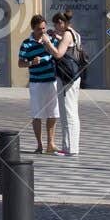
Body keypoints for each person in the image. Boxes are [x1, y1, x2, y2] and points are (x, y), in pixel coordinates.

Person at [18, 14, 61, 154]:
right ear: (33, 28)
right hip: (36, 83)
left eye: (43, 28)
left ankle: (51, 143)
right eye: (39, 29)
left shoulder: (51, 40)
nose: (42, 31)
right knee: (37, 114)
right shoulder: (26, 44)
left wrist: (49, 43)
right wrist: (31, 62)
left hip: (51, 81)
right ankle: (39, 144)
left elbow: (57, 55)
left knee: (53, 113)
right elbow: (20, 63)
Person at [52, 11, 82, 157]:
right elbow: (68, 45)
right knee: (72, 112)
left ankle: (69, 148)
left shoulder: (67, 34)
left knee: (67, 113)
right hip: (75, 76)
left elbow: (58, 53)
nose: (55, 27)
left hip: (66, 77)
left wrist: (46, 42)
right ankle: (71, 146)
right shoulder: (75, 34)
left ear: (61, 23)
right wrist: (56, 37)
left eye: (56, 24)